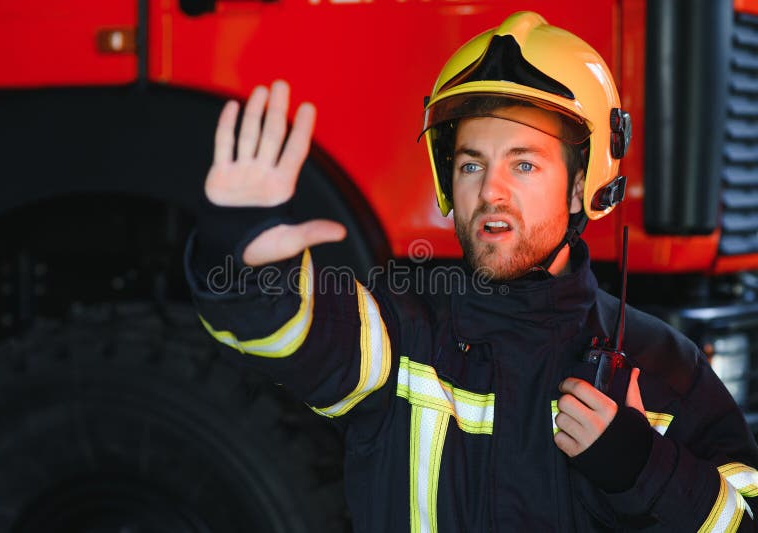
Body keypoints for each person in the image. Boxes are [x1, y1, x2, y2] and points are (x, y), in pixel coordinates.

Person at [185, 11, 758, 532]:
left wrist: (642, 467)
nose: (490, 192)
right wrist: (242, 261)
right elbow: (289, 329)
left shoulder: (665, 369)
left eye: (524, 165)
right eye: (470, 165)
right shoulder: (399, 335)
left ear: (581, 186)